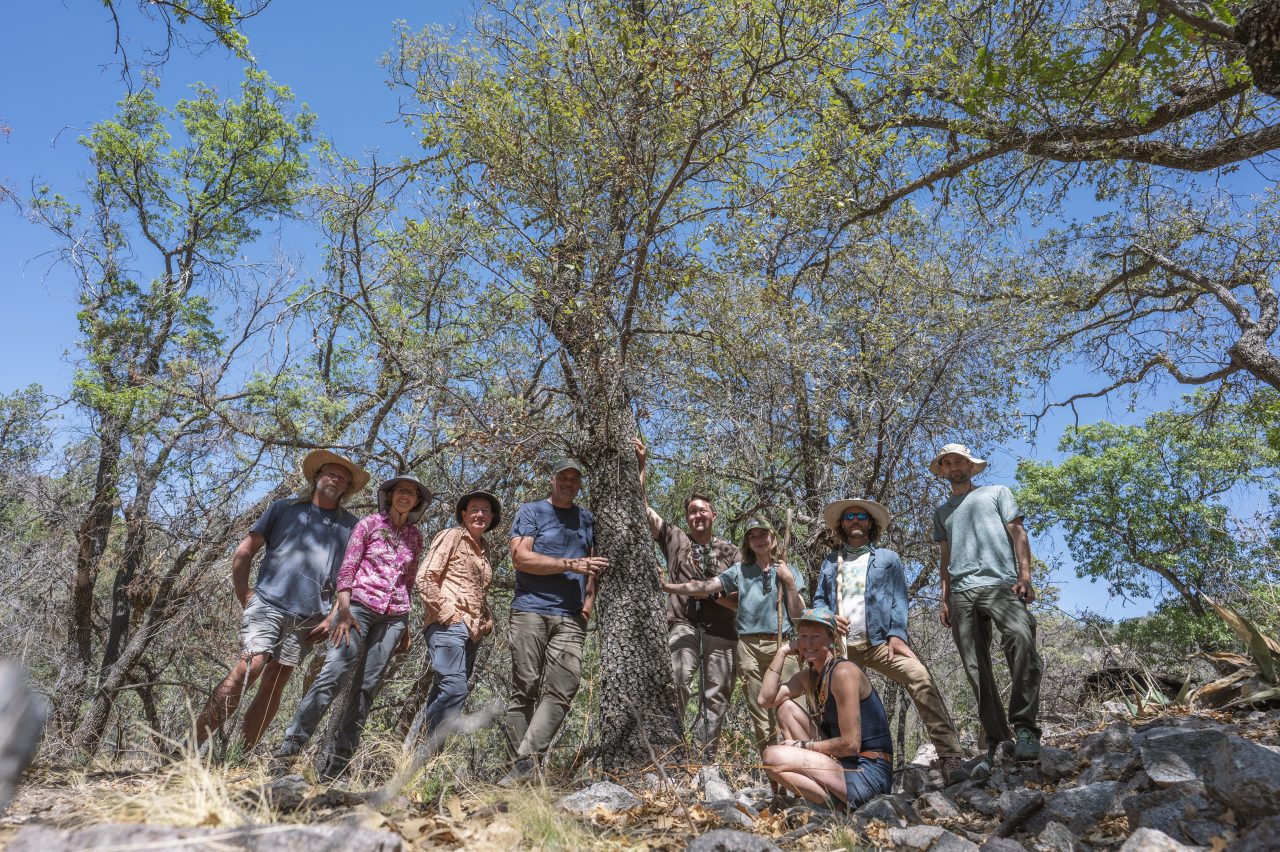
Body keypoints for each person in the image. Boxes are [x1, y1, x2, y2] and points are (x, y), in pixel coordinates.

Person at [192, 449, 367, 752]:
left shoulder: (351, 527)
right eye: (330, 473)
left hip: (310, 617)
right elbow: (245, 550)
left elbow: (349, 577)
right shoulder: (283, 509)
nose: (335, 480)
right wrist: (243, 593)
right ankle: (189, 746)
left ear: (347, 489)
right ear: (316, 477)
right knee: (251, 666)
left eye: (342, 478)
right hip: (268, 603)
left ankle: (239, 756)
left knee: (275, 681)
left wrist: (331, 618)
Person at [274, 474, 430, 774]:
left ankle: (337, 766)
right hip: (358, 607)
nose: (405, 496)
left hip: (394, 616)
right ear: (389, 495)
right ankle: (289, 751)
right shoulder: (369, 524)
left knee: (367, 686)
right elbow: (347, 569)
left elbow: (407, 581)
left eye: (411, 493)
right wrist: (342, 610)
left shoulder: (415, 537)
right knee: (333, 673)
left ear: (416, 502)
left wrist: (406, 624)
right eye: (400, 490)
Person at [813, 498, 968, 785]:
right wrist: (827, 619)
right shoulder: (830, 562)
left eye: (861, 516)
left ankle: (950, 755)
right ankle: (830, 768)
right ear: (842, 525)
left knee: (919, 677)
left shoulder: (887, 559)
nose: (855, 520)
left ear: (870, 523)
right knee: (826, 703)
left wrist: (897, 634)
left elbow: (899, 599)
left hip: (880, 643)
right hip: (841, 648)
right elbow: (820, 601)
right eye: (849, 517)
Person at [931, 443, 1044, 764]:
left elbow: (1018, 532)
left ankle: (1025, 727)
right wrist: (944, 598)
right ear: (942, 471)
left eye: (959, 461)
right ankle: (997, 738)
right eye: (947, 463)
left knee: (1021, 637)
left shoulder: (997, 492)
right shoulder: (942, 513)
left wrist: (1025, 576)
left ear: (970, 466)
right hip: (961, 593)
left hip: (1000, 584)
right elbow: (945, 557)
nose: (954, 467)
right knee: (975, 667)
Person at [500, 459, 608, 786]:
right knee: (525, 689)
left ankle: (523, 768)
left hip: (571, 617)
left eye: (575, 479)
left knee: (564, 687)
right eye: (564, 477)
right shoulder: (531, 512)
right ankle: (517, 777)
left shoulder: (587, 518)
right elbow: (521, 558)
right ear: (553, 480)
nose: (569, 483)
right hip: (530, 610)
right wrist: (569, 564)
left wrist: (587, 608)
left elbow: (593, 567)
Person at [662, 516, 805, 756]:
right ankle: (775, 775)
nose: (759, 540)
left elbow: (799, 614)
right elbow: (705, 586)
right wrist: (668, 587)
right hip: (748, 647)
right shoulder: (740, 571)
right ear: (747, 542)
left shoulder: (787, 569)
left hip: (783, 646)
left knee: (792, 706)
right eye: (753, 536)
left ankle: (803, 768)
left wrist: (789, 582)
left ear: (773, 537)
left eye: (763, 534)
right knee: (760, 711)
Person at [632, 438, 739, 754]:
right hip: (682, 624)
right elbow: (641, 508)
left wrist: (710, 595)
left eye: (702, 510)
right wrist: (642, 465)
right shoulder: (675, 538)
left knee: (716, 694)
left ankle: (704, 758)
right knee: (677, 679)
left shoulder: (731, 552)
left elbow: (738, 599)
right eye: (692, 512)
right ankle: (671, 749)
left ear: (713, 515)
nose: (697, 516)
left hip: (723, 631)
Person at [758, 606, 893, 811]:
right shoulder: (809, 676)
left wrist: (803, 746)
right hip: (841, 764)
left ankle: (833, 807)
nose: (808, 643)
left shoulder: (843, 672)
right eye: (803, 636)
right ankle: (831, 802)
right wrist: (782, 652)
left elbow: (850, 745)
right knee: (784, 708)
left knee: (771, 756)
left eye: (815, 636)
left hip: (867, 772)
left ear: (832, 639)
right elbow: (765, 700)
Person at [408, 489, 502, 745]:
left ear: (492, 517)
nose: (480, 515)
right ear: (464, 514)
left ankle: (418, 763)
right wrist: (450, 615)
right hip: (446, 626)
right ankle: (422, 752)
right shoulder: (452, 536)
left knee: (442, 693)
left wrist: (486, 619)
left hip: (472, 633)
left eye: (485, 511)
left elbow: (476, 591)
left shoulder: (485, 549)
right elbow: (425, 578)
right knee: (454, 690)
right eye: (474, 510)